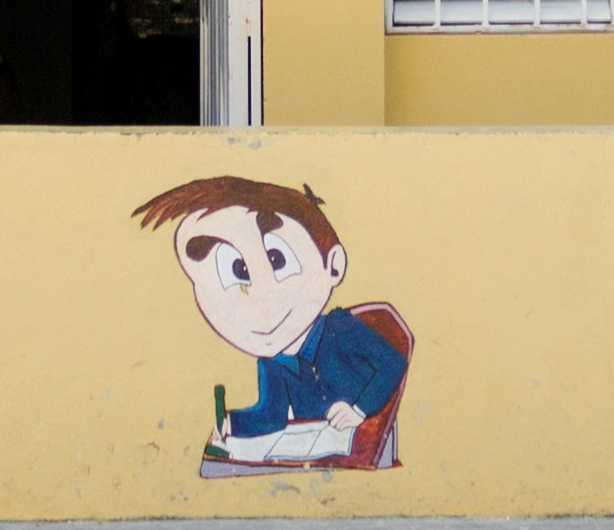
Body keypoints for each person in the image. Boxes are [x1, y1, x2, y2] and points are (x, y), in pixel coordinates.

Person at [136, 175, 411, 470]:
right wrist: (231, 423)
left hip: (367, 445)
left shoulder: (340, 328)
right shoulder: (273, 363)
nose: (260, 294)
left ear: (333, 266)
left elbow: (392, 364)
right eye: (238, 272)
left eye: (278, 260)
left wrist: (359, 408)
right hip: (318, 457)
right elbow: (271, 416)